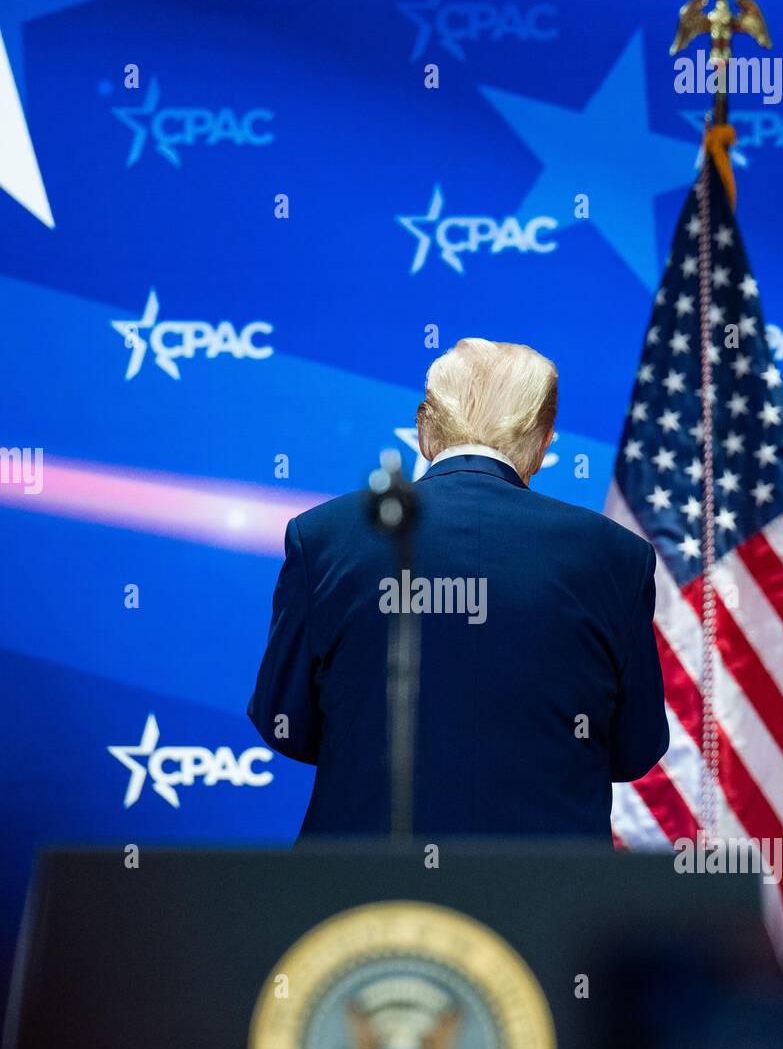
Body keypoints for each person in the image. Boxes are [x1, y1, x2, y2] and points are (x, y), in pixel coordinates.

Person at [248, 337, 668, 837]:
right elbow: (637, 746)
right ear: (543, 441)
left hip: (366, 893)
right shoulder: (616, 555)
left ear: (425, 430)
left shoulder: (322, 536)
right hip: (555, 894)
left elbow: (285, 722)